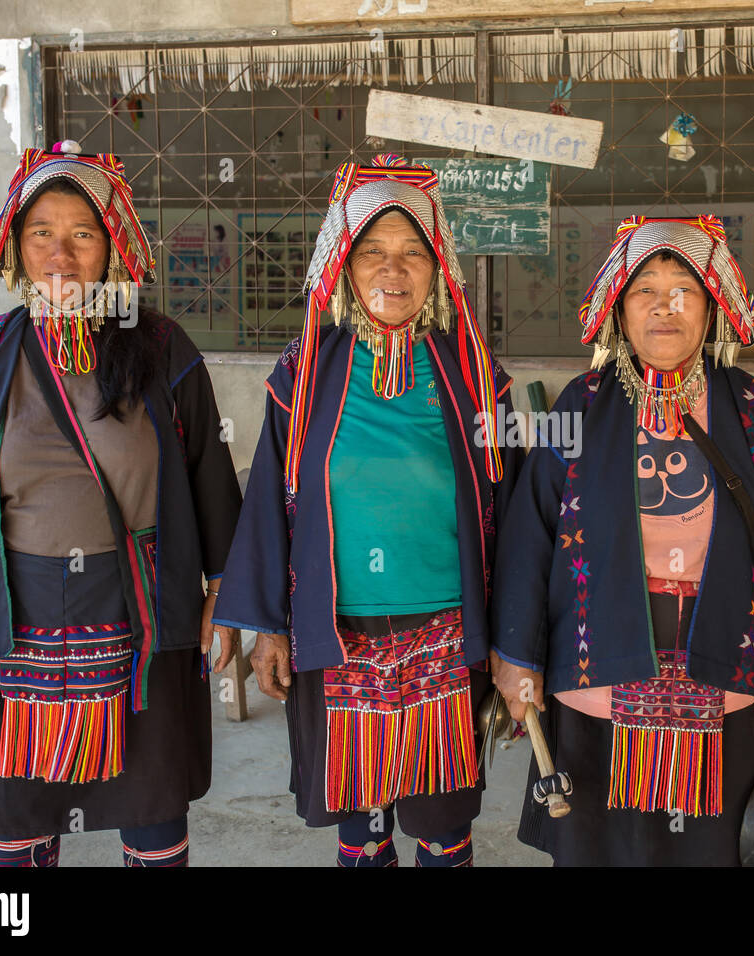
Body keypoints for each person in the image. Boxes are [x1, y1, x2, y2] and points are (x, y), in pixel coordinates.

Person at [0, 140, 243, 866]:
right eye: (41, 233)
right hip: (11, 617)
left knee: (150, 807)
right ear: (18, 250)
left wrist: (224, 592)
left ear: (111, 248)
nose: (62, 253)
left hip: (140, 612)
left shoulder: (164, 351)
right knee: (19, 809)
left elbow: (210, 475)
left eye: (83, 233)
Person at [490, 215, 754, 866]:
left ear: (712, 308)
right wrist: (516, 654)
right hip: (597, 672)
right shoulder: (580, 405)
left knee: (712, 850)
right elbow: (530, 538)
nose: (664, 305)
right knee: (601, 846)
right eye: (643, 290)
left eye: (683, 287)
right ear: (618, 312)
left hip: (722, 670)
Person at [213, 154, 522, 867]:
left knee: (443, 826)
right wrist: (270, 628)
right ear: (345, 267)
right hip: (338, 635)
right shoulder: (303, 372)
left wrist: (513, 640)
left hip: (445, 634)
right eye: (374, 251)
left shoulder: (475, 376)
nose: (394, 267)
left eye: (413, 251)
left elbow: (511, 514)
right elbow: (267, 502)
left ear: (438, 267)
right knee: (362, 826)